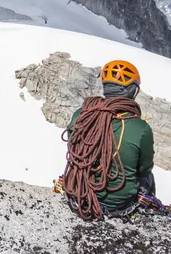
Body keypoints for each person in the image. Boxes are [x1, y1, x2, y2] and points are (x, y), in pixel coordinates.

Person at [62, 60, 155, 221]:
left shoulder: (82, 114)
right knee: (149, 178)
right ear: (132, 90)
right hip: (117, 203)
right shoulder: (140, 128)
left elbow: (73, 147)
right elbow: (144, 169)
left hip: (80, 195)